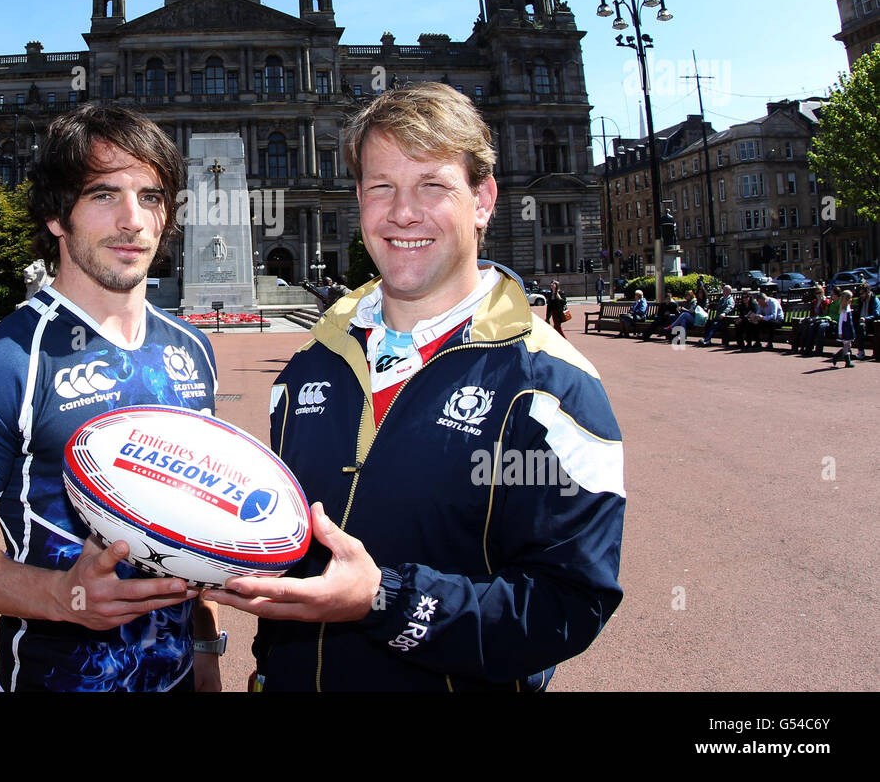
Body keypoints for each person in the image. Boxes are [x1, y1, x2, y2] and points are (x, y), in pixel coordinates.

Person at [206, 84, 625, 692]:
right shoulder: (306, 368)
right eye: (382, 187)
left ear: (482, 200)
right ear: (359, 199)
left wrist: (384, 600)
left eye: (432, 184)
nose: (403, 213)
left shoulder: (550, 387)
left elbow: (569, 607)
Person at [0, 104, 223, 693]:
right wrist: (62, 595)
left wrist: (205, 652)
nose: (134, 220)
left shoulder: (193, 351)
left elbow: (190, 527)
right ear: (56, 215)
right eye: (105, 194)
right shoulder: (3, 366)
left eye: (151, 197)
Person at [829, 289, 858, 369]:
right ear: (846, 299)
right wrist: (840, 332)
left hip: (849, 328)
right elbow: (841, 322)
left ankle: (846, 361)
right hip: (845, 330)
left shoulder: (848, 308)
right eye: (850, 298)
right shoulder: (843, 310)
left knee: (848, 345)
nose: (851, 300)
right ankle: (839, 357)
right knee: (847, 345)